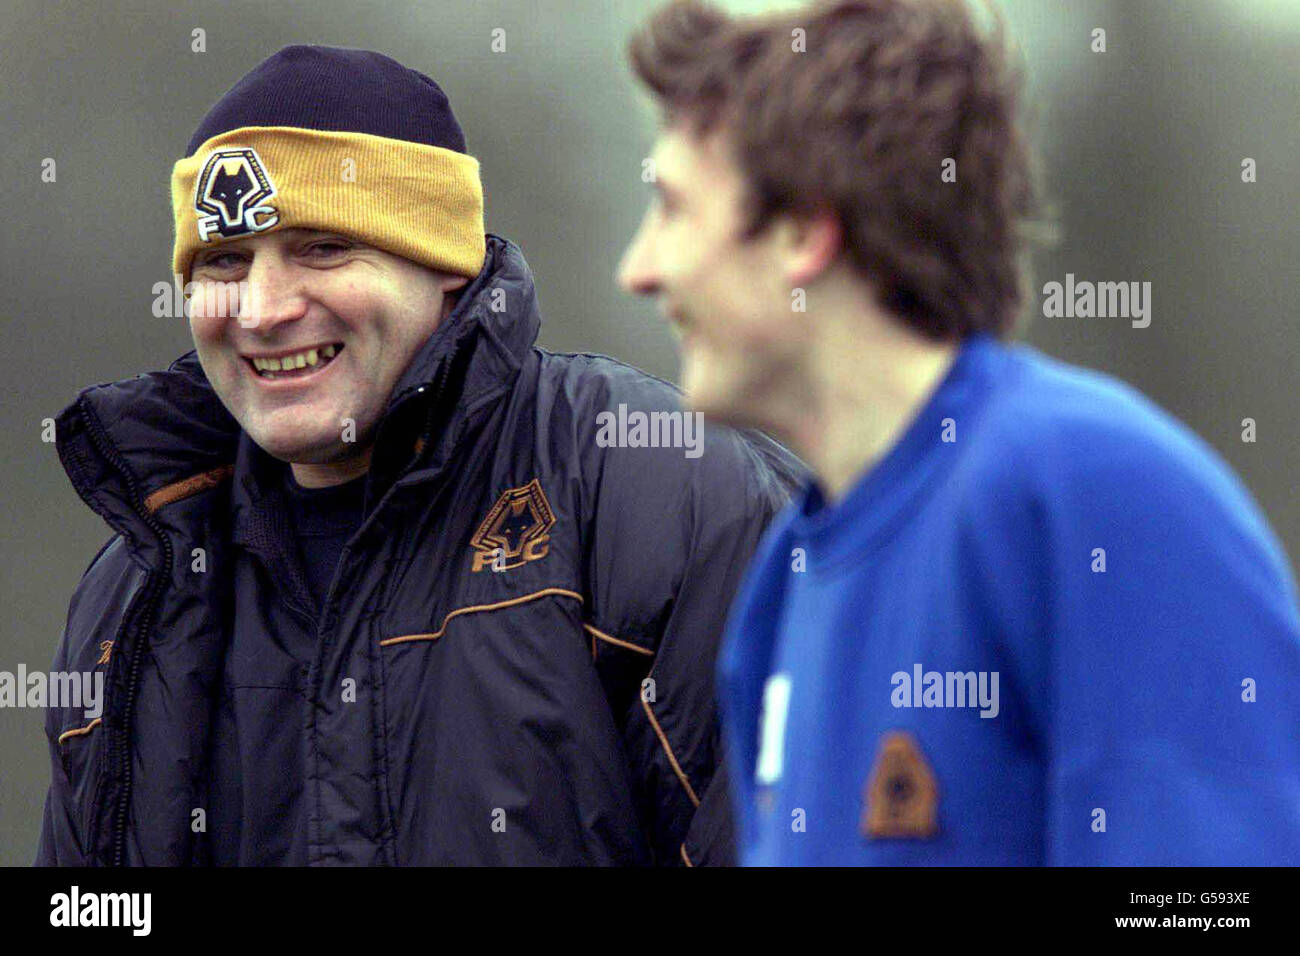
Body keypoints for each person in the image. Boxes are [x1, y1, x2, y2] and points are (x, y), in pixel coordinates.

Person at [36, 44, 800, 866]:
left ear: (446, 266)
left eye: (323, 249)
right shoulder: (134, 596)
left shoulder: (660, 491)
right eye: (224, 263)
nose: (260, 309)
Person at [618, 0, 1300, 864]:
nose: (639, 269)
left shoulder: (1099, 491)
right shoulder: (782, 587)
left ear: (802, 231)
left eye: (672, 207)